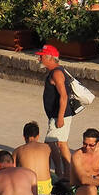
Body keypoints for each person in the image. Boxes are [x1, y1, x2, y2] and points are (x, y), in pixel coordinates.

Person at [38, 46, 75, 187]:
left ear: (49, 58)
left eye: (41, 56)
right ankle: (67, 172)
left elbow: (64, 96)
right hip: (59, 115)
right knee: (62, 143)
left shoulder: (56, 73)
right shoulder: (55, 72)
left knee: (51, 143)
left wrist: (59, 117)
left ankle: (60, 173)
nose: (39, 59)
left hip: (60, 115)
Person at [13, 122, 55, 195]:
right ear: (38, 136)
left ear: (24, 136)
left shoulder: (17, 150)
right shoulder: (47, 147)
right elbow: (48, 166)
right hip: (45, 187)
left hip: (28, 187)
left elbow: (12, 172)